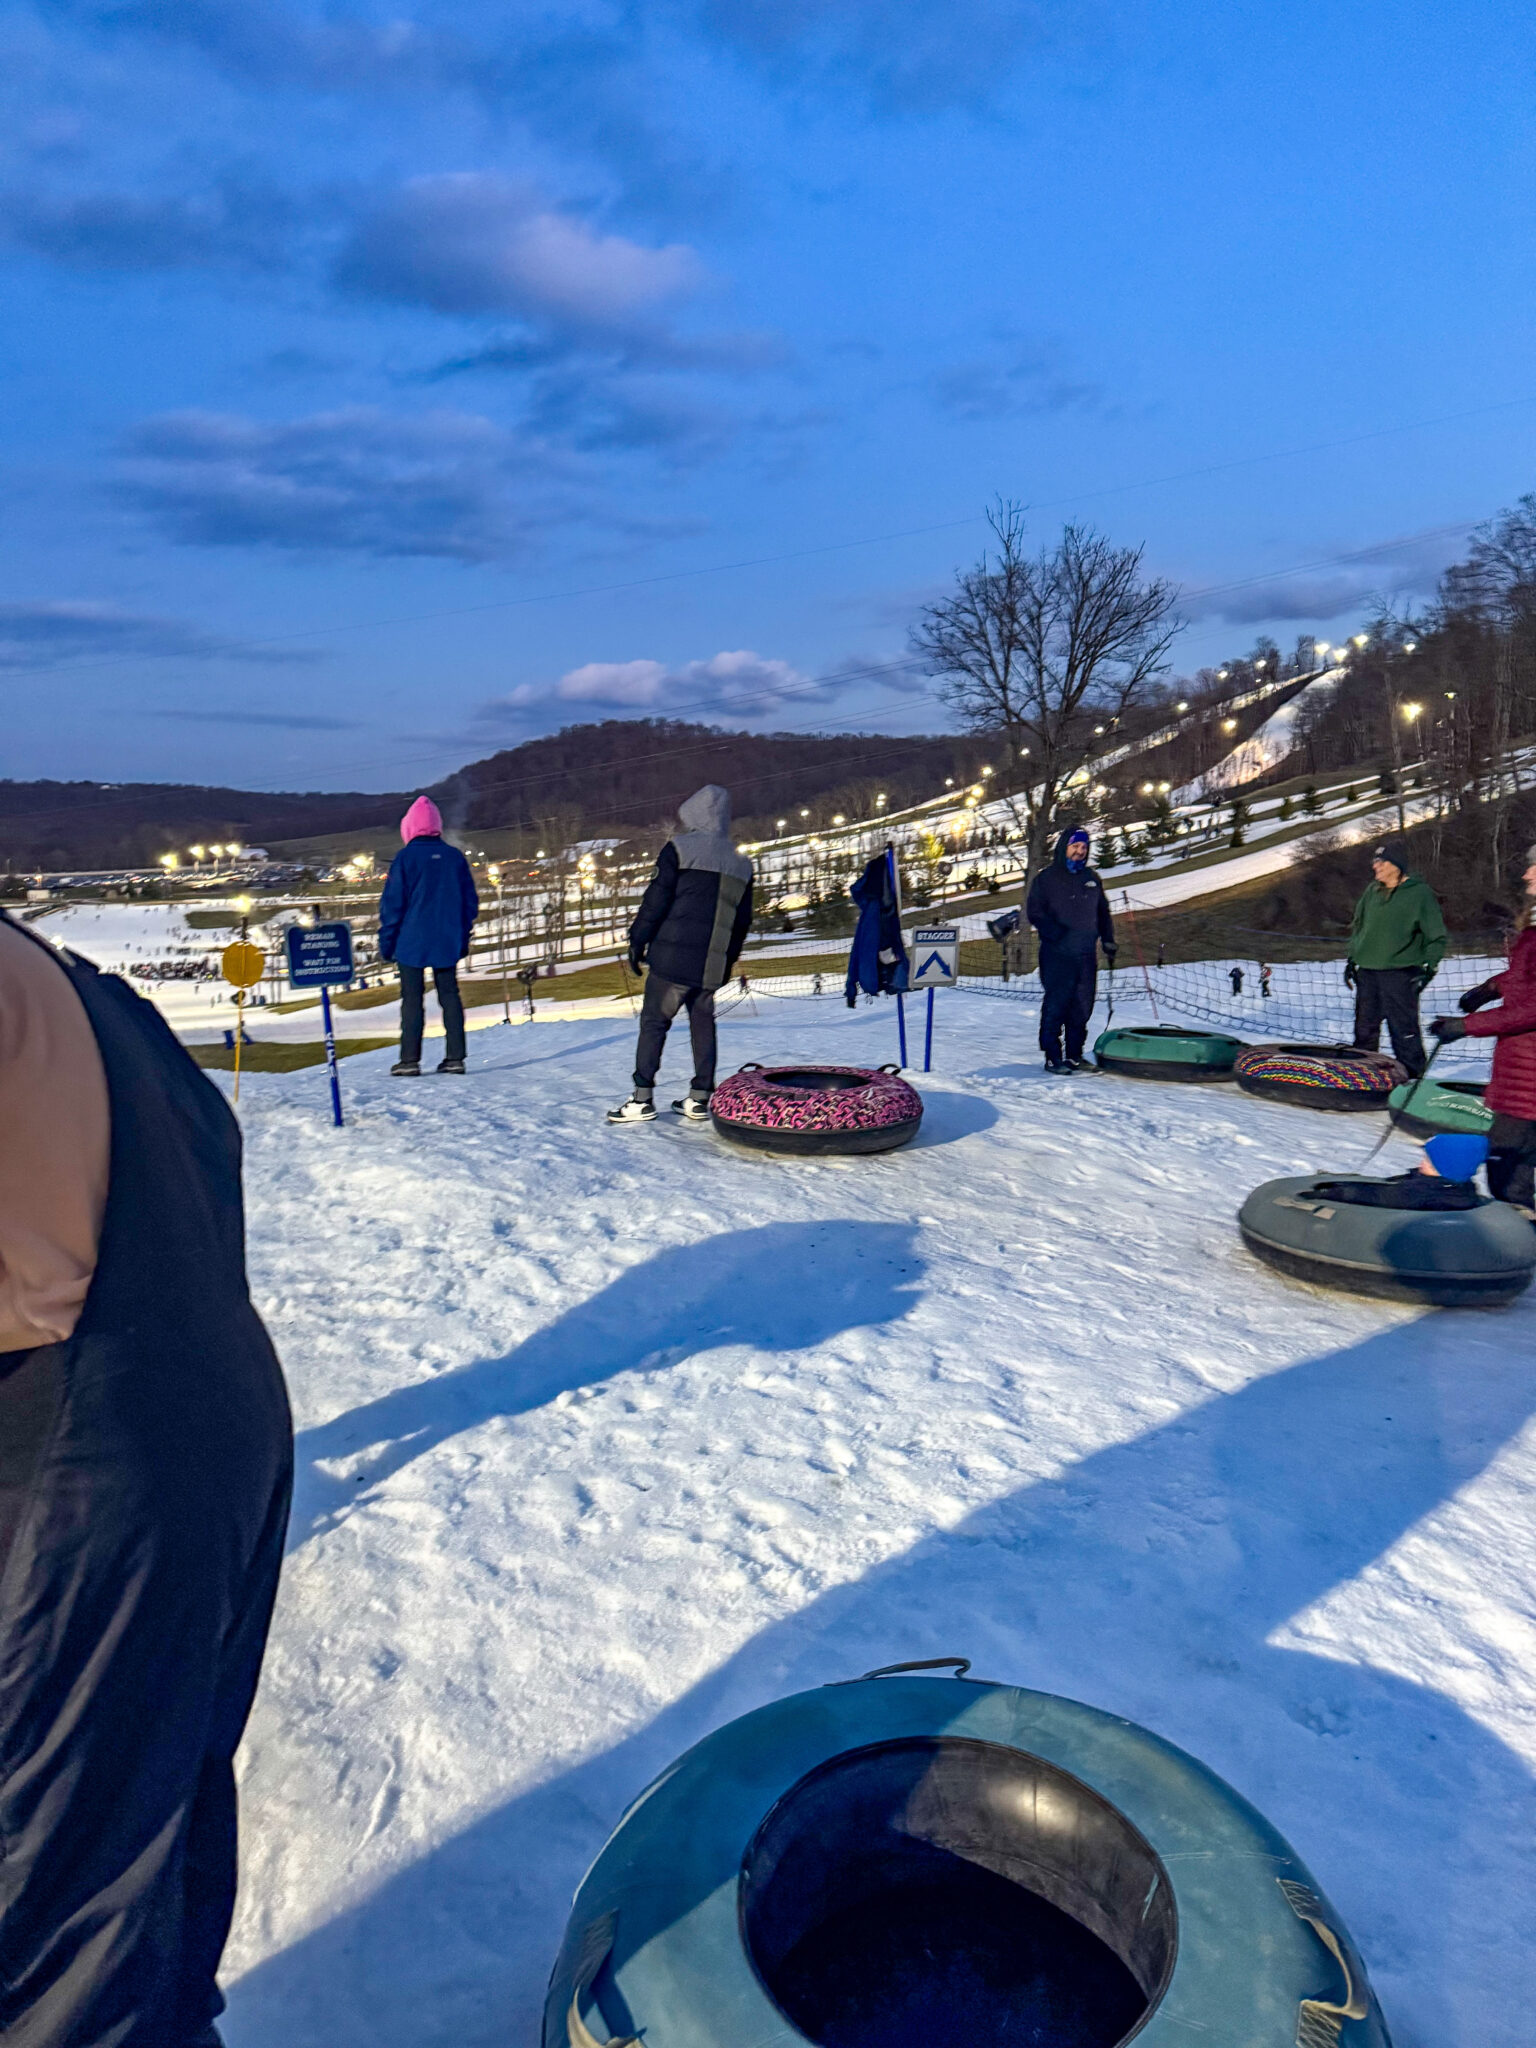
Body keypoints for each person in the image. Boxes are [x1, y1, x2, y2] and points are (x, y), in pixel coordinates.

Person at [0, 911, 291, 2047]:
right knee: (143, 1822)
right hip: (191, 1404)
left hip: (86, 1462)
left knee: (61, 1916)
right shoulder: (54, 969)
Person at [609, 785, 754, 1123]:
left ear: (691, 813)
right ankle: (701, 1097)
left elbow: (655, 902)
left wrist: (636, 941)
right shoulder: (741, 863)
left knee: (654, 1024)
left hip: (671, 962)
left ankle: (642, 1098)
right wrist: (726, 960)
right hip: (711, 964)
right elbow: (742, 922)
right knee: (702, 1024)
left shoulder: (678, 849)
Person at [1430, 842, 1536, 1215]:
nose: (1525, 873)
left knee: (1505, 1162)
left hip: (1530, 1074)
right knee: (1517, 1164)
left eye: (1533, 866)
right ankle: (1520, 1231)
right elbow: (1525, 979)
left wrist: (1466, 1026)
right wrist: (1490, 988)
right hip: (1521, 1066)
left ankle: (1510, 1242)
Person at [377, 796, 480, 1077]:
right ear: (437, 826)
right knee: (450, 996)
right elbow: (469, 903)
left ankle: (409, 1060)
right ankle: (455, 1057)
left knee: (411, 1000)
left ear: (408, 827)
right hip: (447, 940)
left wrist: (386, 945)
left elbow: (392, 907)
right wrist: (462, 936)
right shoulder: (454, 857)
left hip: (410, 943)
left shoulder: (405, 859)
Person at [1345, 836, 1446, 1077]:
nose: (1375, 866)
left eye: (1381, 862)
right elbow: (1360, 927)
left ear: (1396, 865)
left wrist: (1428, 969)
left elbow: (1437, 937)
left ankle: (1413, 1080)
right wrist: (1353, 959)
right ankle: (1362, 1076)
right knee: (1364, 1029)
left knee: (1404, 1030)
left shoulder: (1419, 894)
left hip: (1401, 973)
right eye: (1375, 861)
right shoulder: (1372, 891)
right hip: (1368, 971)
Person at [1026, 824, 1116, 1073]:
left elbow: (1103, 913)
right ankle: (1053, 1056)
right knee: (1057, 1004)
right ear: (1064, 848)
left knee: (1082, 1006)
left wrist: (1108, 939)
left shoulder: (1091, 879)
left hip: (1086, 953)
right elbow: (1034, 912)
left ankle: (1075, 1054)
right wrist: (1054, 933)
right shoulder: (1046, 879)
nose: (1080, 851)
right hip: (1057, 953)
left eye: (1084, 847)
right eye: (1075, 846)